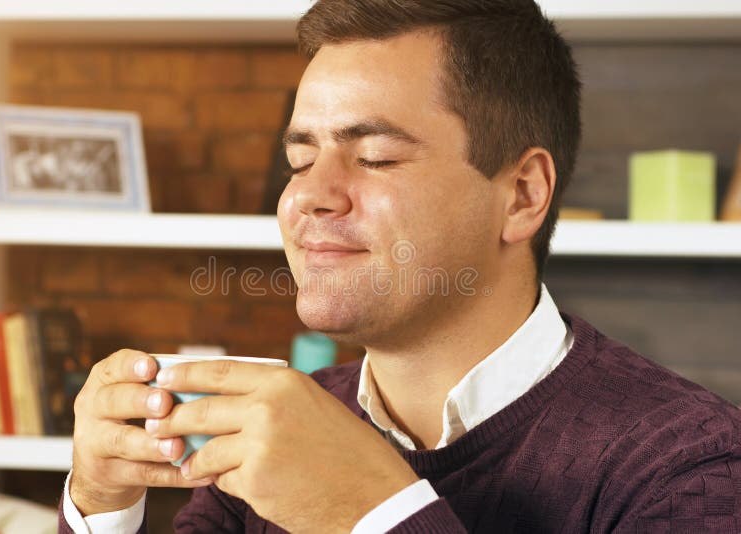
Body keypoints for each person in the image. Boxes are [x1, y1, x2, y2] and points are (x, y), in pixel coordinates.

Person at [60, 1, 741, 532]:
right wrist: (101, 506)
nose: (307, 195)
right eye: (300, 159)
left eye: (377, 156)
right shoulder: (275, 431)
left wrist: (369, 513)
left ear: (522, 195)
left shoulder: (692, 464)